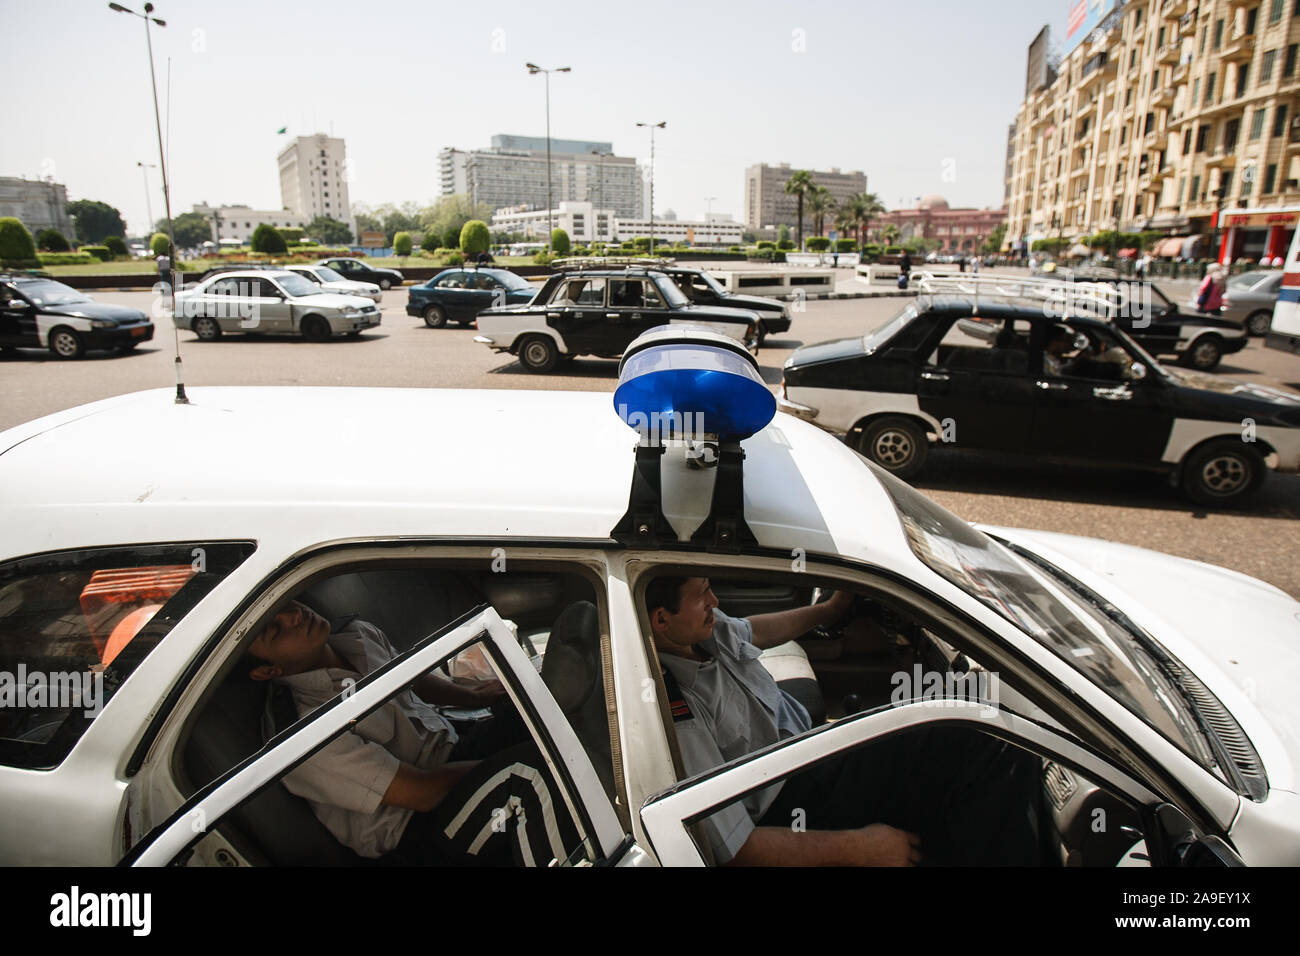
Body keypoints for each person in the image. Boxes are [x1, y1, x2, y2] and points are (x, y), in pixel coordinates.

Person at [647, 576, 1043, 867]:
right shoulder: (678, 711)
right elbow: (737, 849)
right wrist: (863, 847)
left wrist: (829, 610)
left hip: (809, 753)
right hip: (792, 799)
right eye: (702, 597)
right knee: (982, 741)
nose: (715, 601)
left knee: (948, 730)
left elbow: (755, 630)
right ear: (662, 620)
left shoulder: (701, 634)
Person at [241, 599, 565, 865]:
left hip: (451, 751)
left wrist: (478, 696)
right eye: (275, 628)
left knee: (544, 704)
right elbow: (422, 793)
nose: (294, 616)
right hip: (418, 831)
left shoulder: (357, 634)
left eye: (284, 605)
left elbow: (414, 679)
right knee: (529, 772)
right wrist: (515, 756)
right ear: (269, 670)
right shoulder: (302, 734)